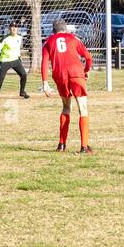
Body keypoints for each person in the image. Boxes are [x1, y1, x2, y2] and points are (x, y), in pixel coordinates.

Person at [41, 18, 94, 153]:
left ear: (53, 31)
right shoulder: (74, 38)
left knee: (66, 107)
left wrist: (45, 83)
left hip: (60, 75)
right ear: (66, 29)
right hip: (76, 73)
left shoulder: (48, 42)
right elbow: (88, 57)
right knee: (82, 108)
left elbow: (44, 63)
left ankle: (62, 144)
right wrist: (86, 70)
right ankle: (84, 147)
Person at [0, 20, 30, 99]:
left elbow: (18, 48)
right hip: (5, 60)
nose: (13, 28)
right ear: (9, 29)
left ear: (17, 28)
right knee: (0, 78)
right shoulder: (5, 38)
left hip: (15, 60)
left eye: (15, 27)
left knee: (24, 75)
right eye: (12, 27)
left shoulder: (19, 37)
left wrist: (19, 56)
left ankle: (22, 92)